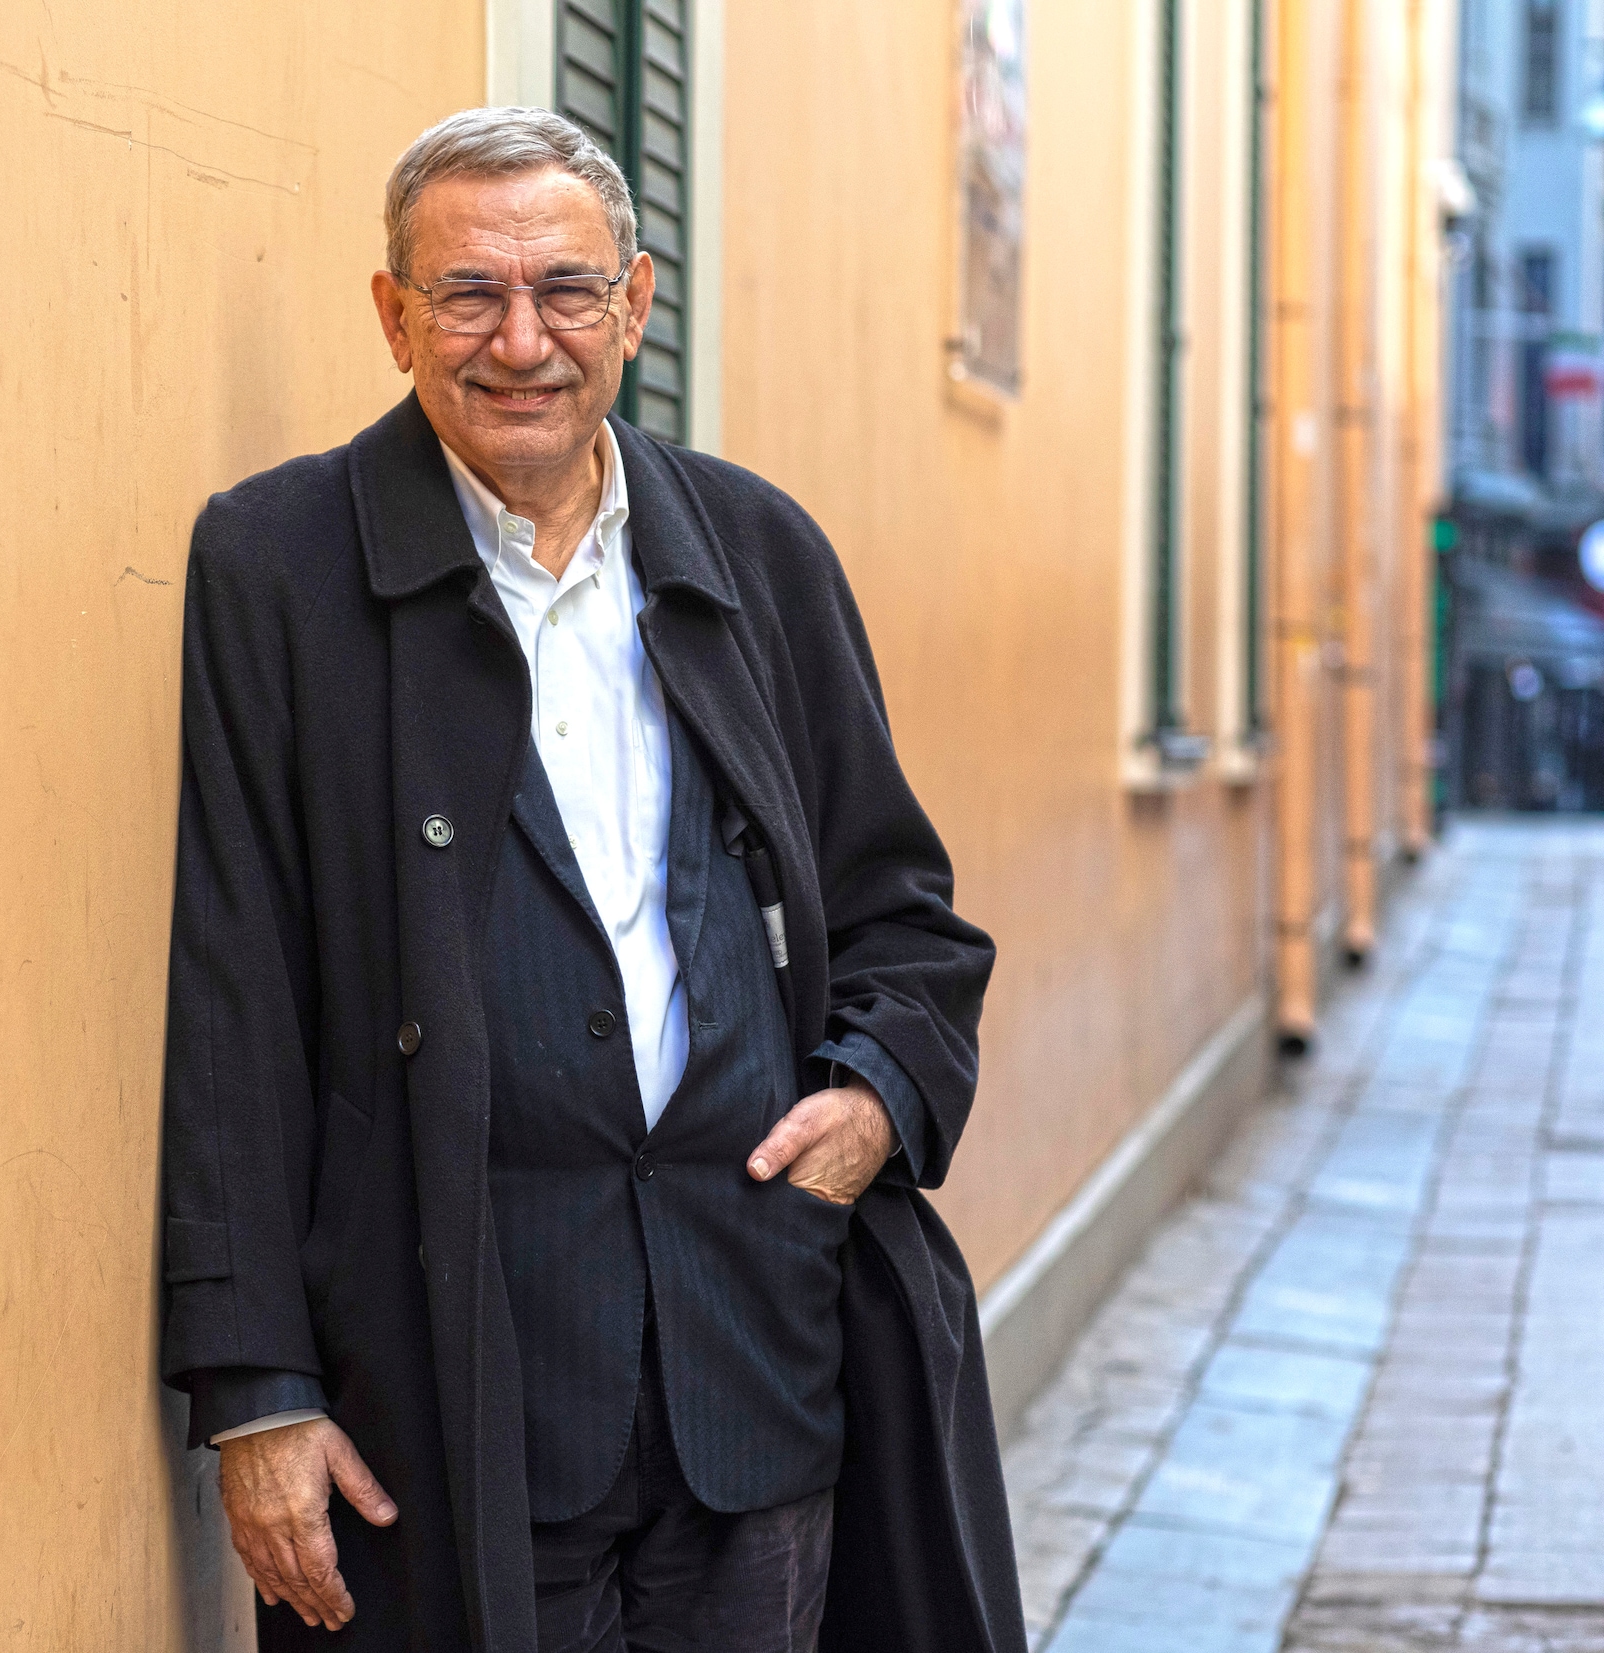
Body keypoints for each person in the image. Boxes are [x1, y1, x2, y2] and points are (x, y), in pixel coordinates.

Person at [160, 106, 1021, 1653]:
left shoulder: (761, 552)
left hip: (751, 1359)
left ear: (634, 303)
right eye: (469, 295)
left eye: (565, 290)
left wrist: (874, 1100)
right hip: (450, 1388)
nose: (521, 342)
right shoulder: (279, 566)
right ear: (394, 317)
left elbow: (903, 913)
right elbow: (235, 992)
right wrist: (257, 1392)